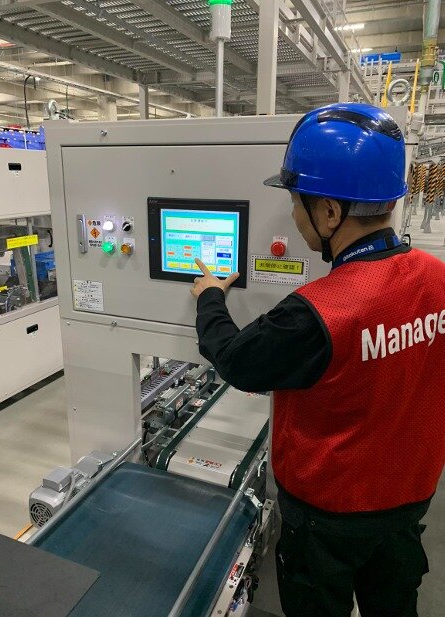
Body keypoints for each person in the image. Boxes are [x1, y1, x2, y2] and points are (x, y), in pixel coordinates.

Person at [189, 103, 445, 617]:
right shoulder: (436, 276)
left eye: (295, 200)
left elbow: (236, 362)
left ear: (330, 212)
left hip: (328, 517)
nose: (292, 214)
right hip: (408, 501)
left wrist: (209, 298)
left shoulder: (320, 312)